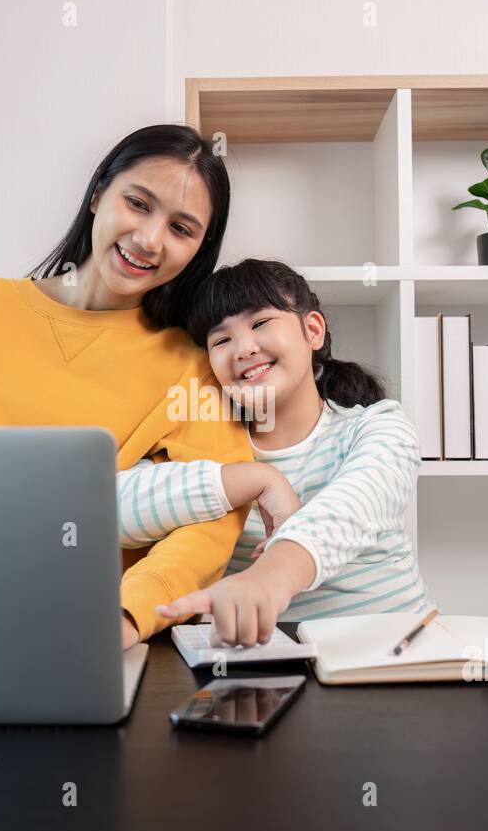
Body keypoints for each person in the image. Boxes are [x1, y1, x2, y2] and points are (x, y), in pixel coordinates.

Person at [0, 124, 255, 649]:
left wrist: (130, 616)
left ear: (199, 249)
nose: (150, 239)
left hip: (92, 637)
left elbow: (213, 517)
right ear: (96, 196)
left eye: (181, 229)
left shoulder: (192, 364)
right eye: (138, 203)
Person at [114, 258, 432, 647]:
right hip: (268, 663)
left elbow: (355, 506)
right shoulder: (203, 443)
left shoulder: (377, 426)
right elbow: (107, 509)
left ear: (312, 330)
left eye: (260, 323)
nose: (244, 349)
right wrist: (256, 479)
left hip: (395, 654)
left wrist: (269, 578)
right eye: (220, 340)